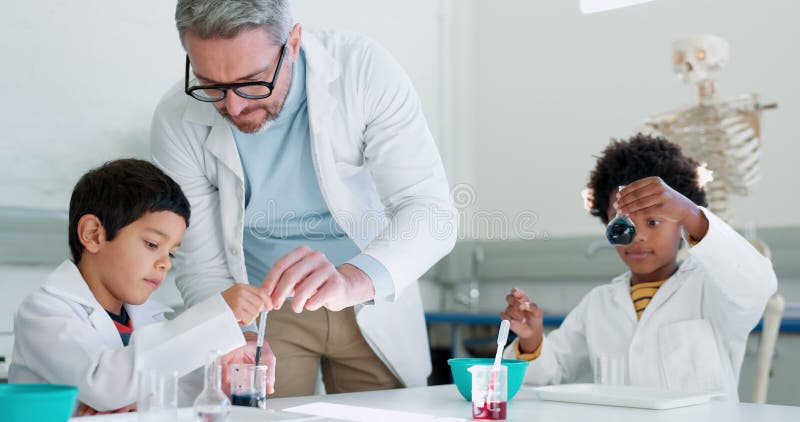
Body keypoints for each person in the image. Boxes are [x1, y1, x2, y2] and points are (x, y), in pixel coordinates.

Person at [150, 0, 457, 396]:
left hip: (367, 293)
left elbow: (430, 211)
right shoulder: (177, 119)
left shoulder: (363, 70)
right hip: (263, 311)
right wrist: (238, 335)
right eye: (211, 84)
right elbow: (201, 264)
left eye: (252, 81)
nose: (234, 106)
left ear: (292, 43)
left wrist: (353, 280)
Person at [500, 134, 776, 401]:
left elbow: (757, 285)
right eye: (621, 223)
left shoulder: (711, 290)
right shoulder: (598, 305)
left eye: (653, 221)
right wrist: (531, 340)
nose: (637, 236)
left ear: (680, 225)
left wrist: (690, 213)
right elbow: (550, 371)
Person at [9, 159, 276, 415]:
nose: (165, 264)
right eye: (152, 244)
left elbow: (185, 391)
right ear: (93, 234)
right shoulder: (43, 313)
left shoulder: (147, 318)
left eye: (171, 253)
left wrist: (221, 381)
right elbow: (104, 385)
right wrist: (217, 315)